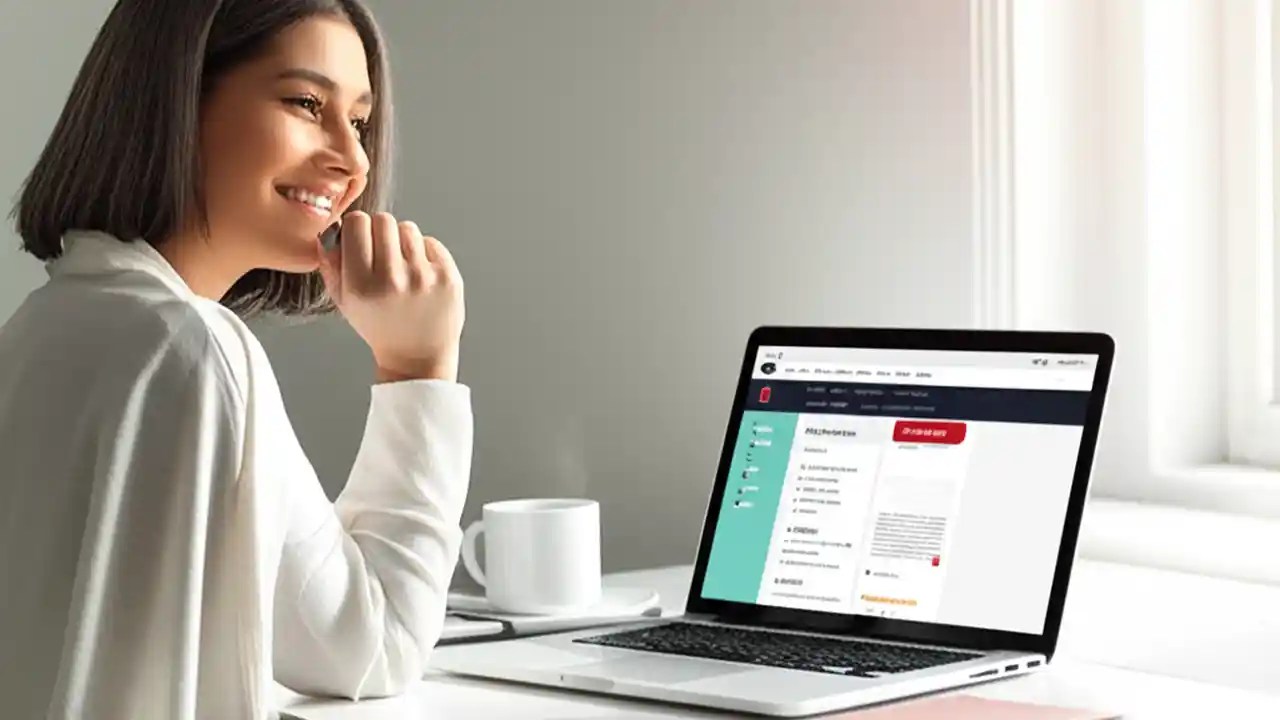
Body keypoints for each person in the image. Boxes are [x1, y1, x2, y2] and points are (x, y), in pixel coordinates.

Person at [0, 1, 472, 718]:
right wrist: (418, 366)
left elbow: (357, 641)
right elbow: (375, 644)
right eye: (306, 103)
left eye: (359, 122)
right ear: (176, 98)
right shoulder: (194, 350)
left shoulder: (37, 330)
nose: (353, 161)